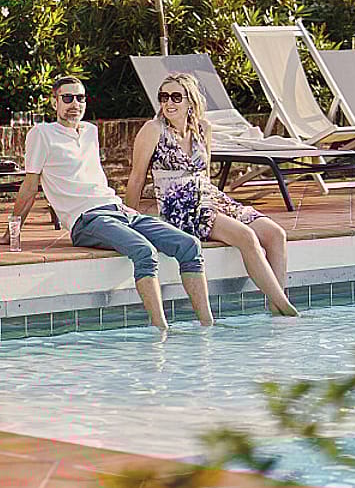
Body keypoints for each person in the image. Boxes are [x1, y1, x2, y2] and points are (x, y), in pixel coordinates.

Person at [0, 75, 213, 332]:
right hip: (87, 219)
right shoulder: (42, 134)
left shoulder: (90, 131)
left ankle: (207, 327)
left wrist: (129, 210)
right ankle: (161, 331)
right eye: (67, 98)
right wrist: (10, 233)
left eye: (80, 98)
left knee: (189, 245)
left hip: (118, 210)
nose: (75, 104)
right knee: (145, 252)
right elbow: (29, 187)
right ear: (54, 102)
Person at [126, 73, 299, 317]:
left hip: (210, 197)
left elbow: (205, 174)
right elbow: (137, 178)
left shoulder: (202, 128)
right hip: (182, 207)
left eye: (176, 97)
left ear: (190, 100)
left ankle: (276, 307)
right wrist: (131, 221)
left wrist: (218, 204)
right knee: (246, 237)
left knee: (276, 234)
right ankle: (286, 308)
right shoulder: (153, 130)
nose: (169, 103)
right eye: (163, 97)